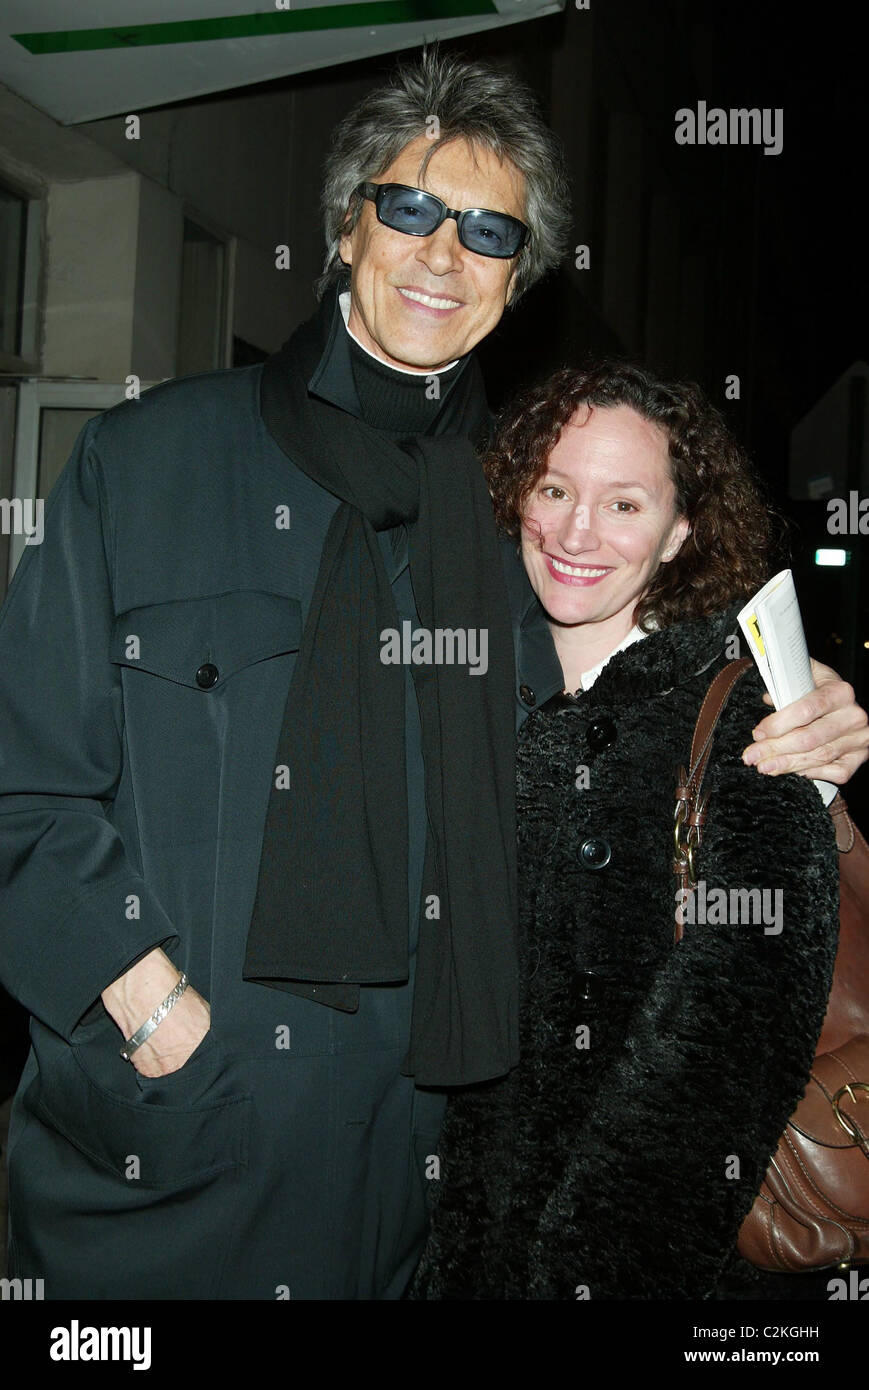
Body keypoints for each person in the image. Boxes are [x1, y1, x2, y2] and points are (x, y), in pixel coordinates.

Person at [0, 52, 864, 1301]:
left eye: (486, 229)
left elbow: (644, 702)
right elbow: (22, 787)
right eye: (406, 207)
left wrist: (807, 710)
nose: (438, 252)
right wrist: (145, 1009)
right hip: (162, 1151)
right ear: (346, 228)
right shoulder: (144, 466)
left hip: (417, 1175)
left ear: (513, 285)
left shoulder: (514, 535)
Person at [411, 361, 846, 1300]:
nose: (575, 533)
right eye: (556, 489)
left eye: (624, 505)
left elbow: (726, 1058)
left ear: (680, 529)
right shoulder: (464, 683)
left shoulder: (746, 719)